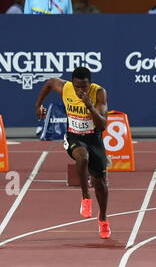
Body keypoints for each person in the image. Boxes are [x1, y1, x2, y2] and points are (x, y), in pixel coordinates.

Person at [34, 67, 111, 237]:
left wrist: (89, 106)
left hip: (94, 138)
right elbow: (49, 83)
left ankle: (103, 218)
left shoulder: (99, 93)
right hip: (74, 137)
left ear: (89, 84)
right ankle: (85, 197)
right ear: (72, 83)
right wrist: (39, 105)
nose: (80, 90)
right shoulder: (65, 87)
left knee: (101, 183)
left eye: (84, 87)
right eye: (77, 86)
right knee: (82, 157)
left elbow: (102, 125)